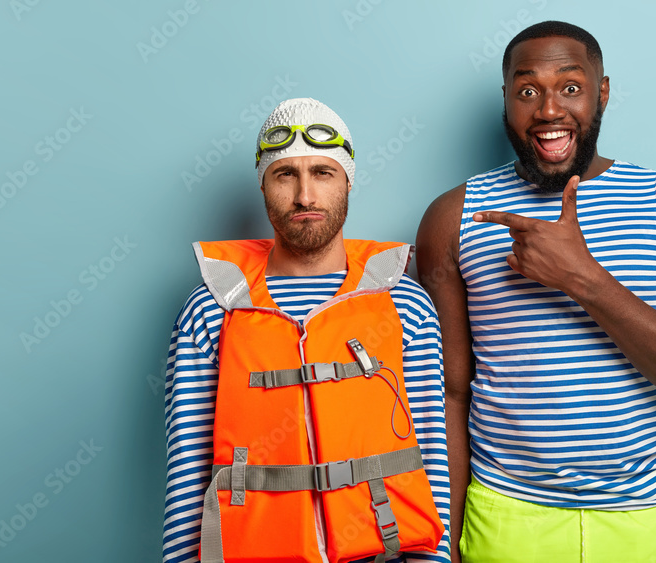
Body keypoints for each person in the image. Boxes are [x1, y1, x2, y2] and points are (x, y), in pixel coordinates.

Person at [416, 21, 656, 563]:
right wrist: (443, 539)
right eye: (527, 91)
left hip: (642, 521)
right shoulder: (452, 218)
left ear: (602, 91)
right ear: (506, 100)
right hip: (505, 517)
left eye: (570, 87)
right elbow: (449, 392)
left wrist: (580, 276)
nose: (548, 110)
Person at [163, 97, 451, 562]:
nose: (305, 196)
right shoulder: (210, 309)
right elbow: (187, 472)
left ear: (348, 181)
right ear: (262, 185)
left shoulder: (407, 304)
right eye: (284, 174)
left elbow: (431, 458)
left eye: (323, 172)